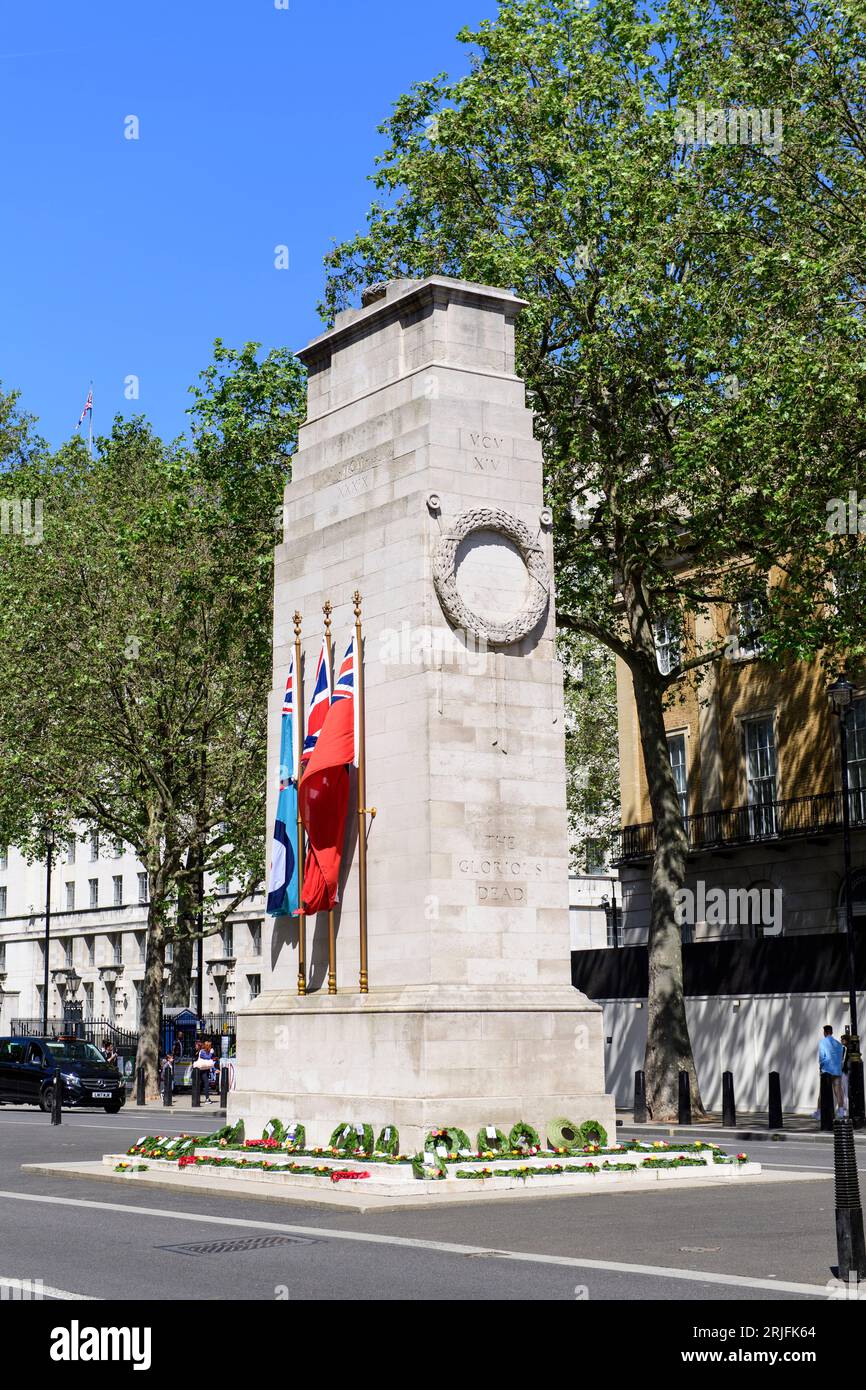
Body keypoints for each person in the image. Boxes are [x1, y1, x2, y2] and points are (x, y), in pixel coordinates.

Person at [818, 1024, 845, 1117]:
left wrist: (821, 1067)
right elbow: (841, 1057)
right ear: (832, 1032)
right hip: (837, 1070)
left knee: (823, 1092)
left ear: (825, 1032)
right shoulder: (838, 1044)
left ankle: (819, 1112)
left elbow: (822, 1057)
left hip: (826, 1071)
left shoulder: (822, 1042)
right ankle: (841, 1112)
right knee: (838, 1091)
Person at [197, 1038, 216, 1103]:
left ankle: (197, 1099)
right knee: (205, 1083)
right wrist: (211, 1053)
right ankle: (207, 1099)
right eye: (210, 1046)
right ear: (207, 1046)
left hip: (206, 1070)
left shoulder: (208, 1052)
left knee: (202, 1084)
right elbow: (208, 1058)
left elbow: (210, 1062)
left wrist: (214, 1069)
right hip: (202, 1070)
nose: (211, 1047)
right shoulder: (202, 1052)